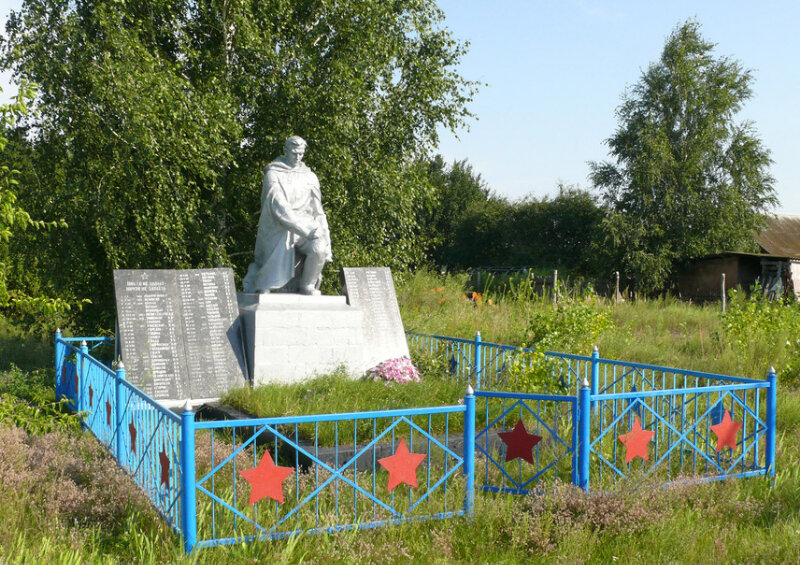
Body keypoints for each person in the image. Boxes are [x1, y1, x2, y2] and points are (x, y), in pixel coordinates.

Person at [242, 136, 332, 295]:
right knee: (284, 236)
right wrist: (303, 229)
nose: (298, 157)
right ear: (285, 151)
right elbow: (278, 206)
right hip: (279, 224)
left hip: (306, 223)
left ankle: (307, 285)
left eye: (301, 154)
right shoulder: (273, 173)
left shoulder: (310, 176)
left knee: (319, 247)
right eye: (294, 153)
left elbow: (317, 209)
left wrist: (324, 233)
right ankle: (267, 283)